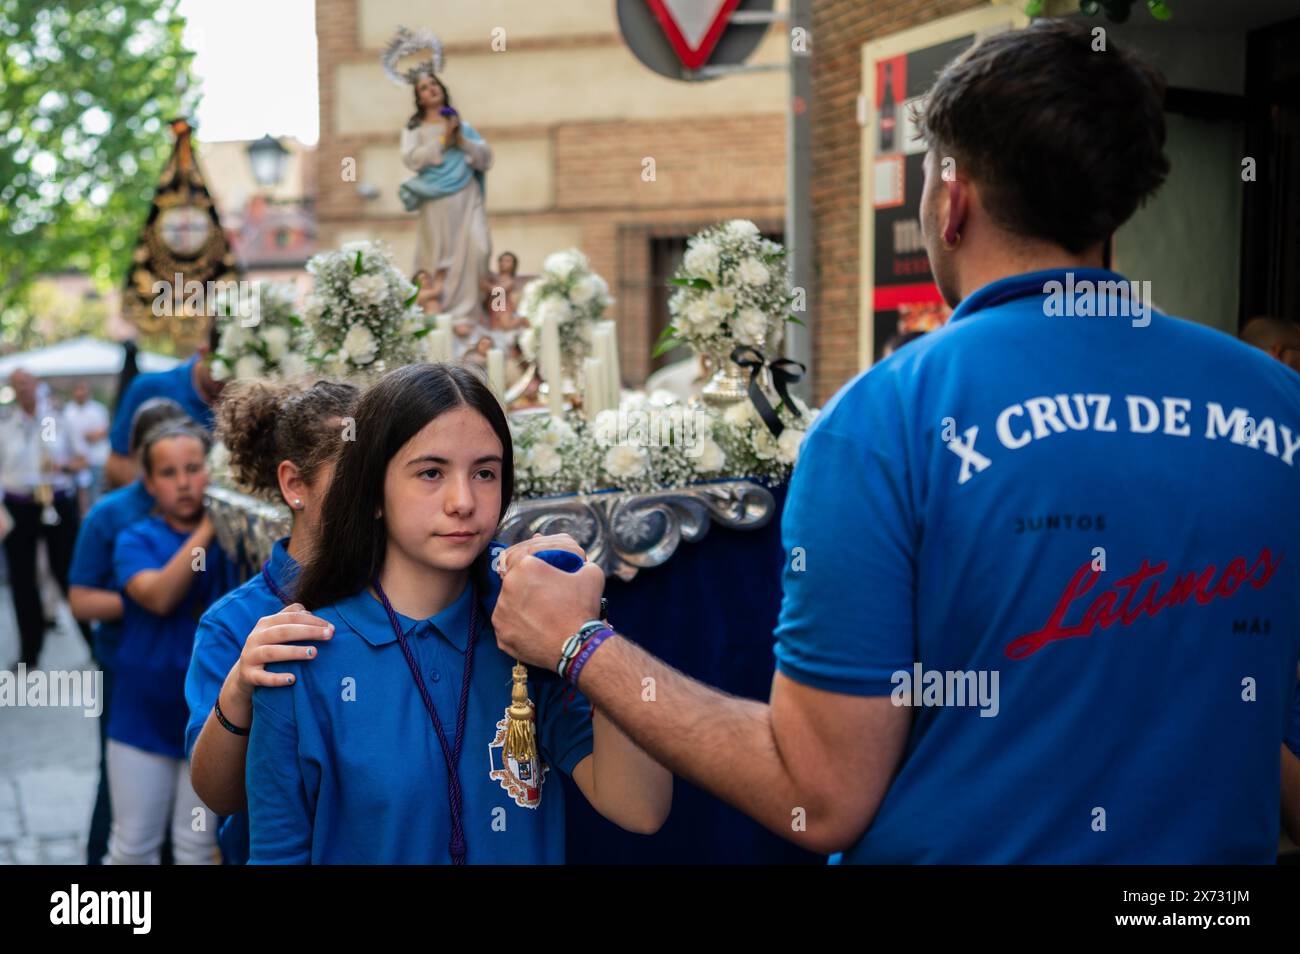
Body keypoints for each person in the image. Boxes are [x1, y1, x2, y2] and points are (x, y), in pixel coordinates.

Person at [488, 20, 1300, 863]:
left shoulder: (888, 420)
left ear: (951, 202)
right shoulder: (1278, 403)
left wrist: (581, 647)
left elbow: (819, 796)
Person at [245, 363, 670, 863]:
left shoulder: (529, 638)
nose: (464, 501)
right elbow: (276, 853)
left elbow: (640, 808)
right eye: (431, 473)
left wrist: (587, 634)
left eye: (485, 473)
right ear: (373, 493)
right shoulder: (300, 658)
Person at [185, 379, 358, 865]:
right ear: (294, 485)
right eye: (352, 476)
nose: (372, 496)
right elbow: (217, 794)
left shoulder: (404, 595)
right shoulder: (232, 622)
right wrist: (240, 685)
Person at [106, 420, 235, 864]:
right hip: (142, 715)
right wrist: (210, 528)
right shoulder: (136, 538)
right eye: (168, 472)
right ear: (149, 482)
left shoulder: (235, 539)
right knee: (133, 847)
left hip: (208, 718)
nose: (184, 483)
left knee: (198, 848)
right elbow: (159, 596)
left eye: (194, 468)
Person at [70, 397, 190, 865]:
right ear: (141, 457)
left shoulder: (199, 507)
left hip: (181, 670)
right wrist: (147, 598)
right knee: (120, 782)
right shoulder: (111, 515)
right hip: (124, 665)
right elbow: (80, 599)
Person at [0, 368, 88, 668]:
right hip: (19, 505)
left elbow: (81, 459)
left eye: (26, 383)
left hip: (56, 500)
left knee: (68, 573)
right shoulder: (7, 424)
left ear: (36, 385)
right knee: (23, 581)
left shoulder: (59, 419)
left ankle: (93, 643)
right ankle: (29, 653)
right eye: (17, 385)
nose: (23, 389)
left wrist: (63, 466)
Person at [398, 72, 493, 328]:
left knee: (478, 247)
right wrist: (443, 140)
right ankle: (443, 314)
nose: (430, 89)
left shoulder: (462, 125)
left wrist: (459, 138)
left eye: (433, 84)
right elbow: (412, 159)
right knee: (439, 254)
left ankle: (469, 313)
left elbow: (485, 158)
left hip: (466, 194)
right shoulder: (415, 129)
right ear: (419, 98)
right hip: (435, 198)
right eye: (423, 88)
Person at [104, 324, 225, 490]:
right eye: (222, 375)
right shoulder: (150, 388)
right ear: (204, 352)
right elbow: (117, 465)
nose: (228, 384)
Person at [63, 380, 111, 508]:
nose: (80, 393)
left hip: (96, 460)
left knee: (95, 496)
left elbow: (105, 430)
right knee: (76, 497)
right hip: (76, 461)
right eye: (77, 390)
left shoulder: (98, 409)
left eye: (83, 389)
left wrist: (95, 435)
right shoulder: (68, 411)